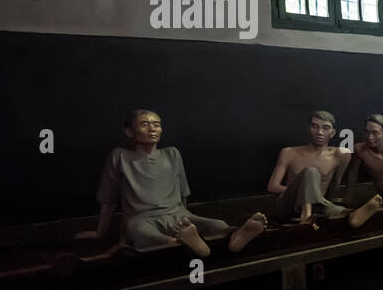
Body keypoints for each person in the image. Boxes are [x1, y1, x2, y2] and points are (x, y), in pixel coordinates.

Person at [81, 109, 266, 256]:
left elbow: (182, 194)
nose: (152, 129)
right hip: (141, 219)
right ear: (129, 131)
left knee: (217, 224)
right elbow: (109, 199)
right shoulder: (120, 156)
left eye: (157, 124)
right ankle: (190, 242)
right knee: (138, 232)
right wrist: (100, 233)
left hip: (177, 215)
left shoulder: (172, 154)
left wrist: (188, 220)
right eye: (145, 124)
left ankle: (234, 235)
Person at [268, 111, 383, 227]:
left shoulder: (340, 154)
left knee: (331, 207)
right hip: (288, 206)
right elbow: (272, 186)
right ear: (309, 129)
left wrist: (323, 200)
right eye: (315, 126)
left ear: (332, 133)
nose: (319, 132)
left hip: (318, 205)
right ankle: (306, 217)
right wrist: (302, 191)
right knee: (311, 171)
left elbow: (335, 185)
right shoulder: (289, 152)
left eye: (325, 128)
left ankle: (350, 215)